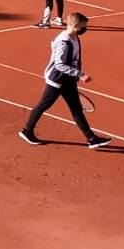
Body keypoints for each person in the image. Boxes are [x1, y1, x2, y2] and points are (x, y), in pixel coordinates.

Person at [18, 12, 110, 148]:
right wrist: (80, 74)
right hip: (57, 79)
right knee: (43, 105)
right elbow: (59, 64)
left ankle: (91, 138)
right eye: (84, 26)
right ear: (76, 25)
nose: (85, 29)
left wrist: (74, 76)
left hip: (67, 80)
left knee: (76, 109)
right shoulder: (64, 42)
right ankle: (27, 131)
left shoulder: (74, 37)